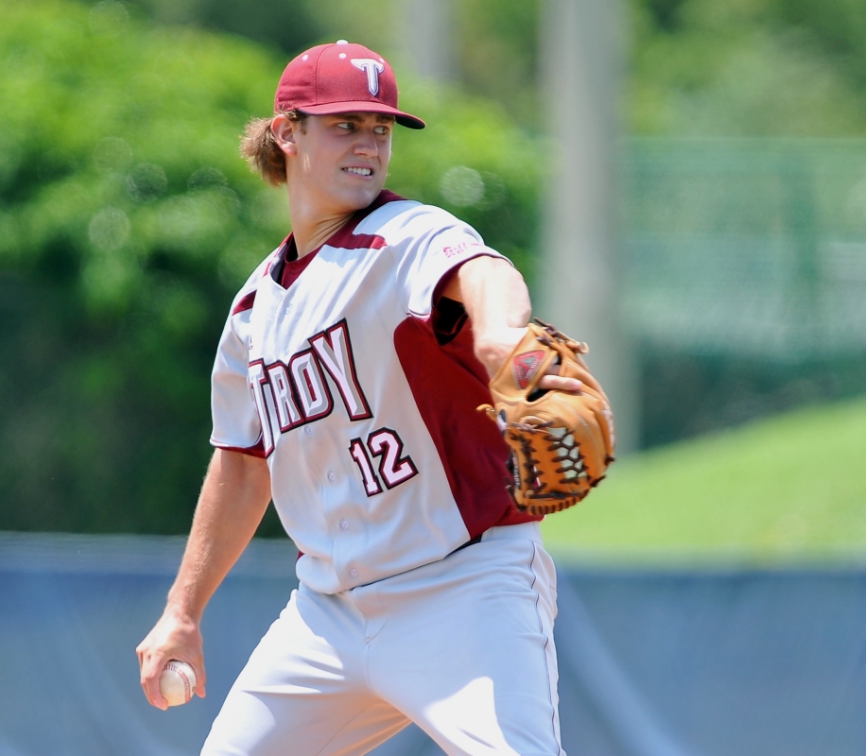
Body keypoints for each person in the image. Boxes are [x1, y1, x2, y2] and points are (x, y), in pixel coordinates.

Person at [136, 40, 581, 755]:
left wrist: (503, 340)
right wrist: (182, 613)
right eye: (346, 124)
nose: (370, 144)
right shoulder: (254, 308)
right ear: (287, 132)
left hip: (461, 588)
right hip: (328, 616)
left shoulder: (405, 234)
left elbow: (482, 270)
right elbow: (242, 464)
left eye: (380, 128)